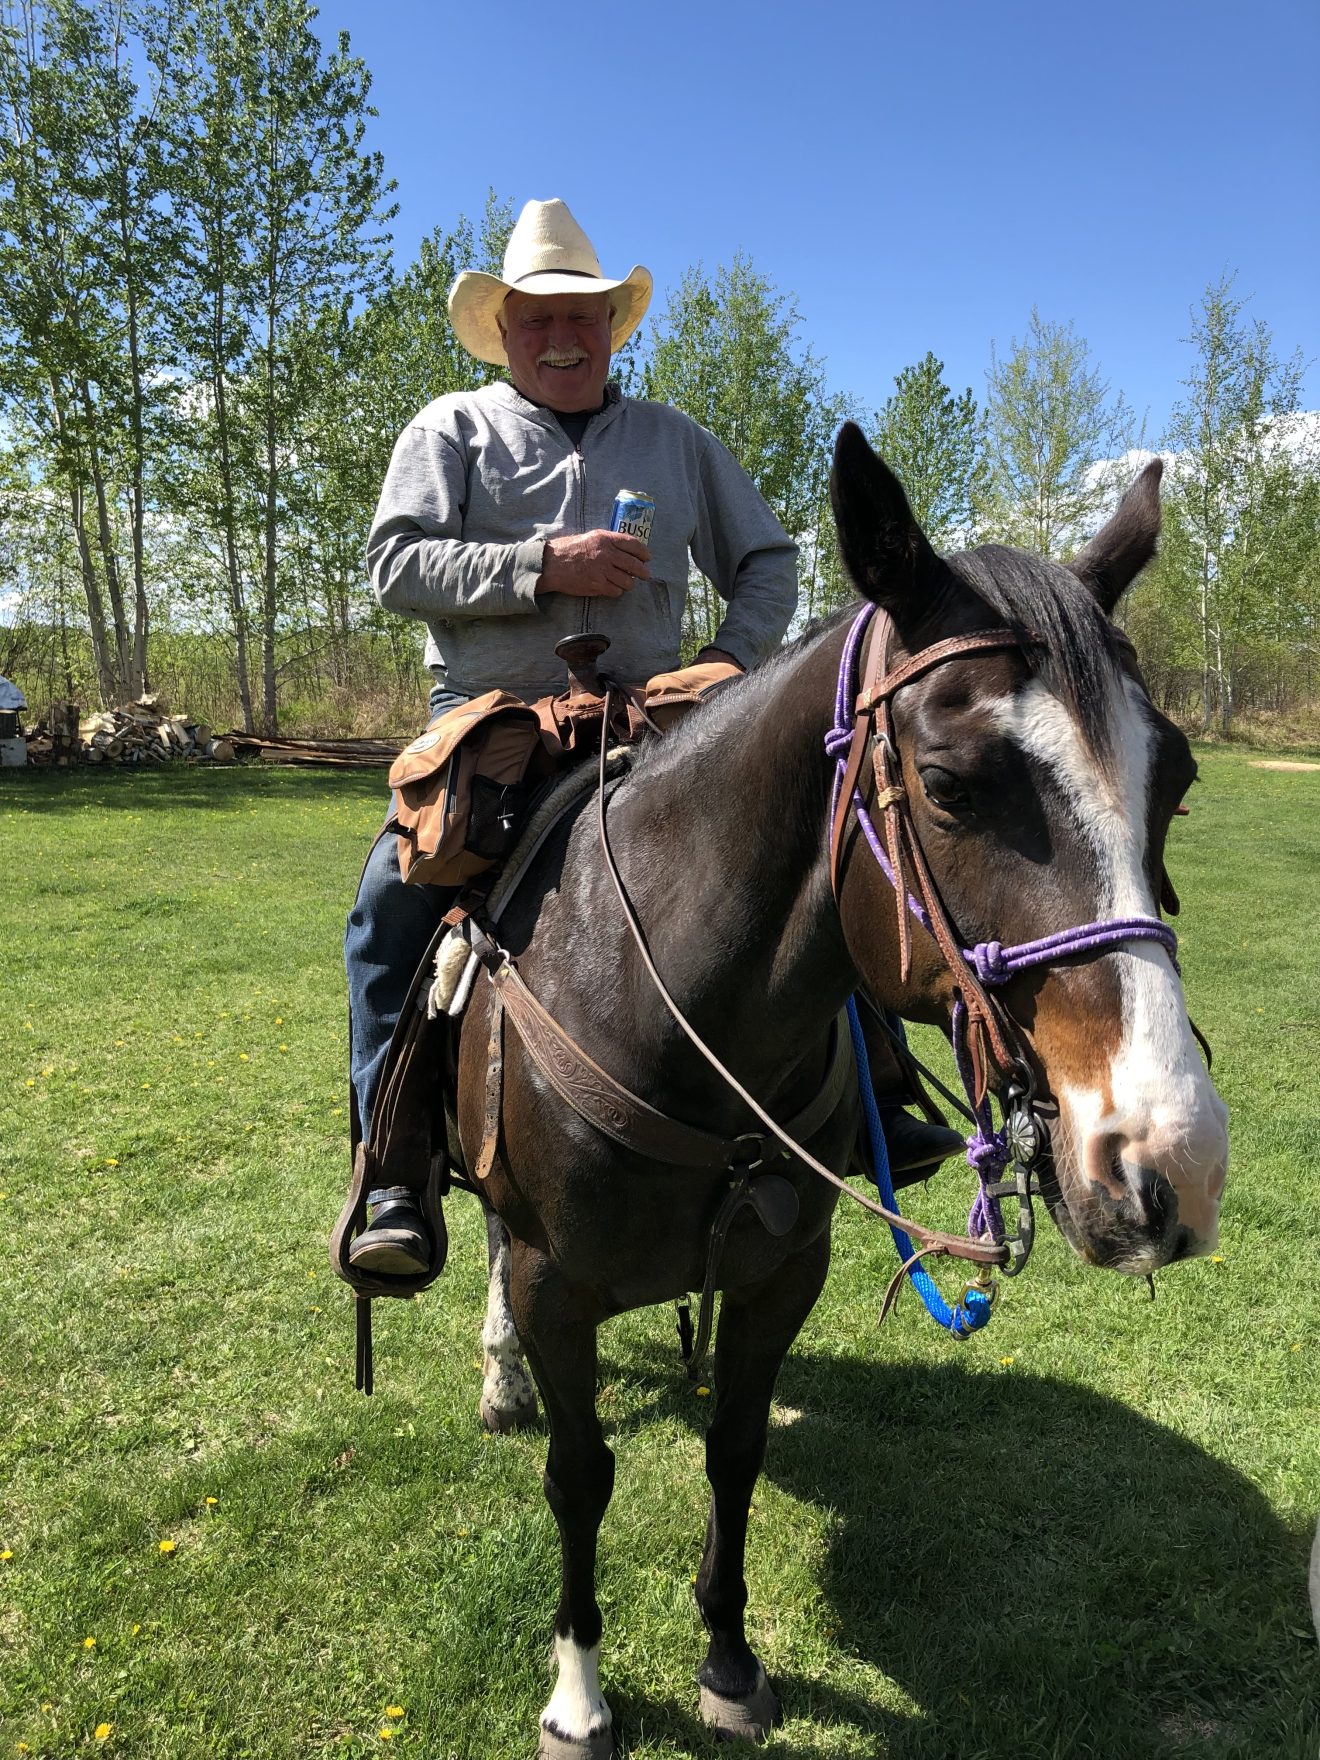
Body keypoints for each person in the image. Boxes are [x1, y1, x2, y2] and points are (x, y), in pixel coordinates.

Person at [344, 198, 961, 1276]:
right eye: (538, 317)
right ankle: (392, 1168)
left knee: (818, 870)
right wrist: (541, 565)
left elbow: (768, 558)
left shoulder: (679, 442)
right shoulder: (450, 430)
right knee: (386, 906)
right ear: (506, 330)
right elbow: (394, 563)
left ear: (613, 325)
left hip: (661, 725)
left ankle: (878, 1101)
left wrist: (733, 662)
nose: (563, 334)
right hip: (497, 732)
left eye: (583, 313)